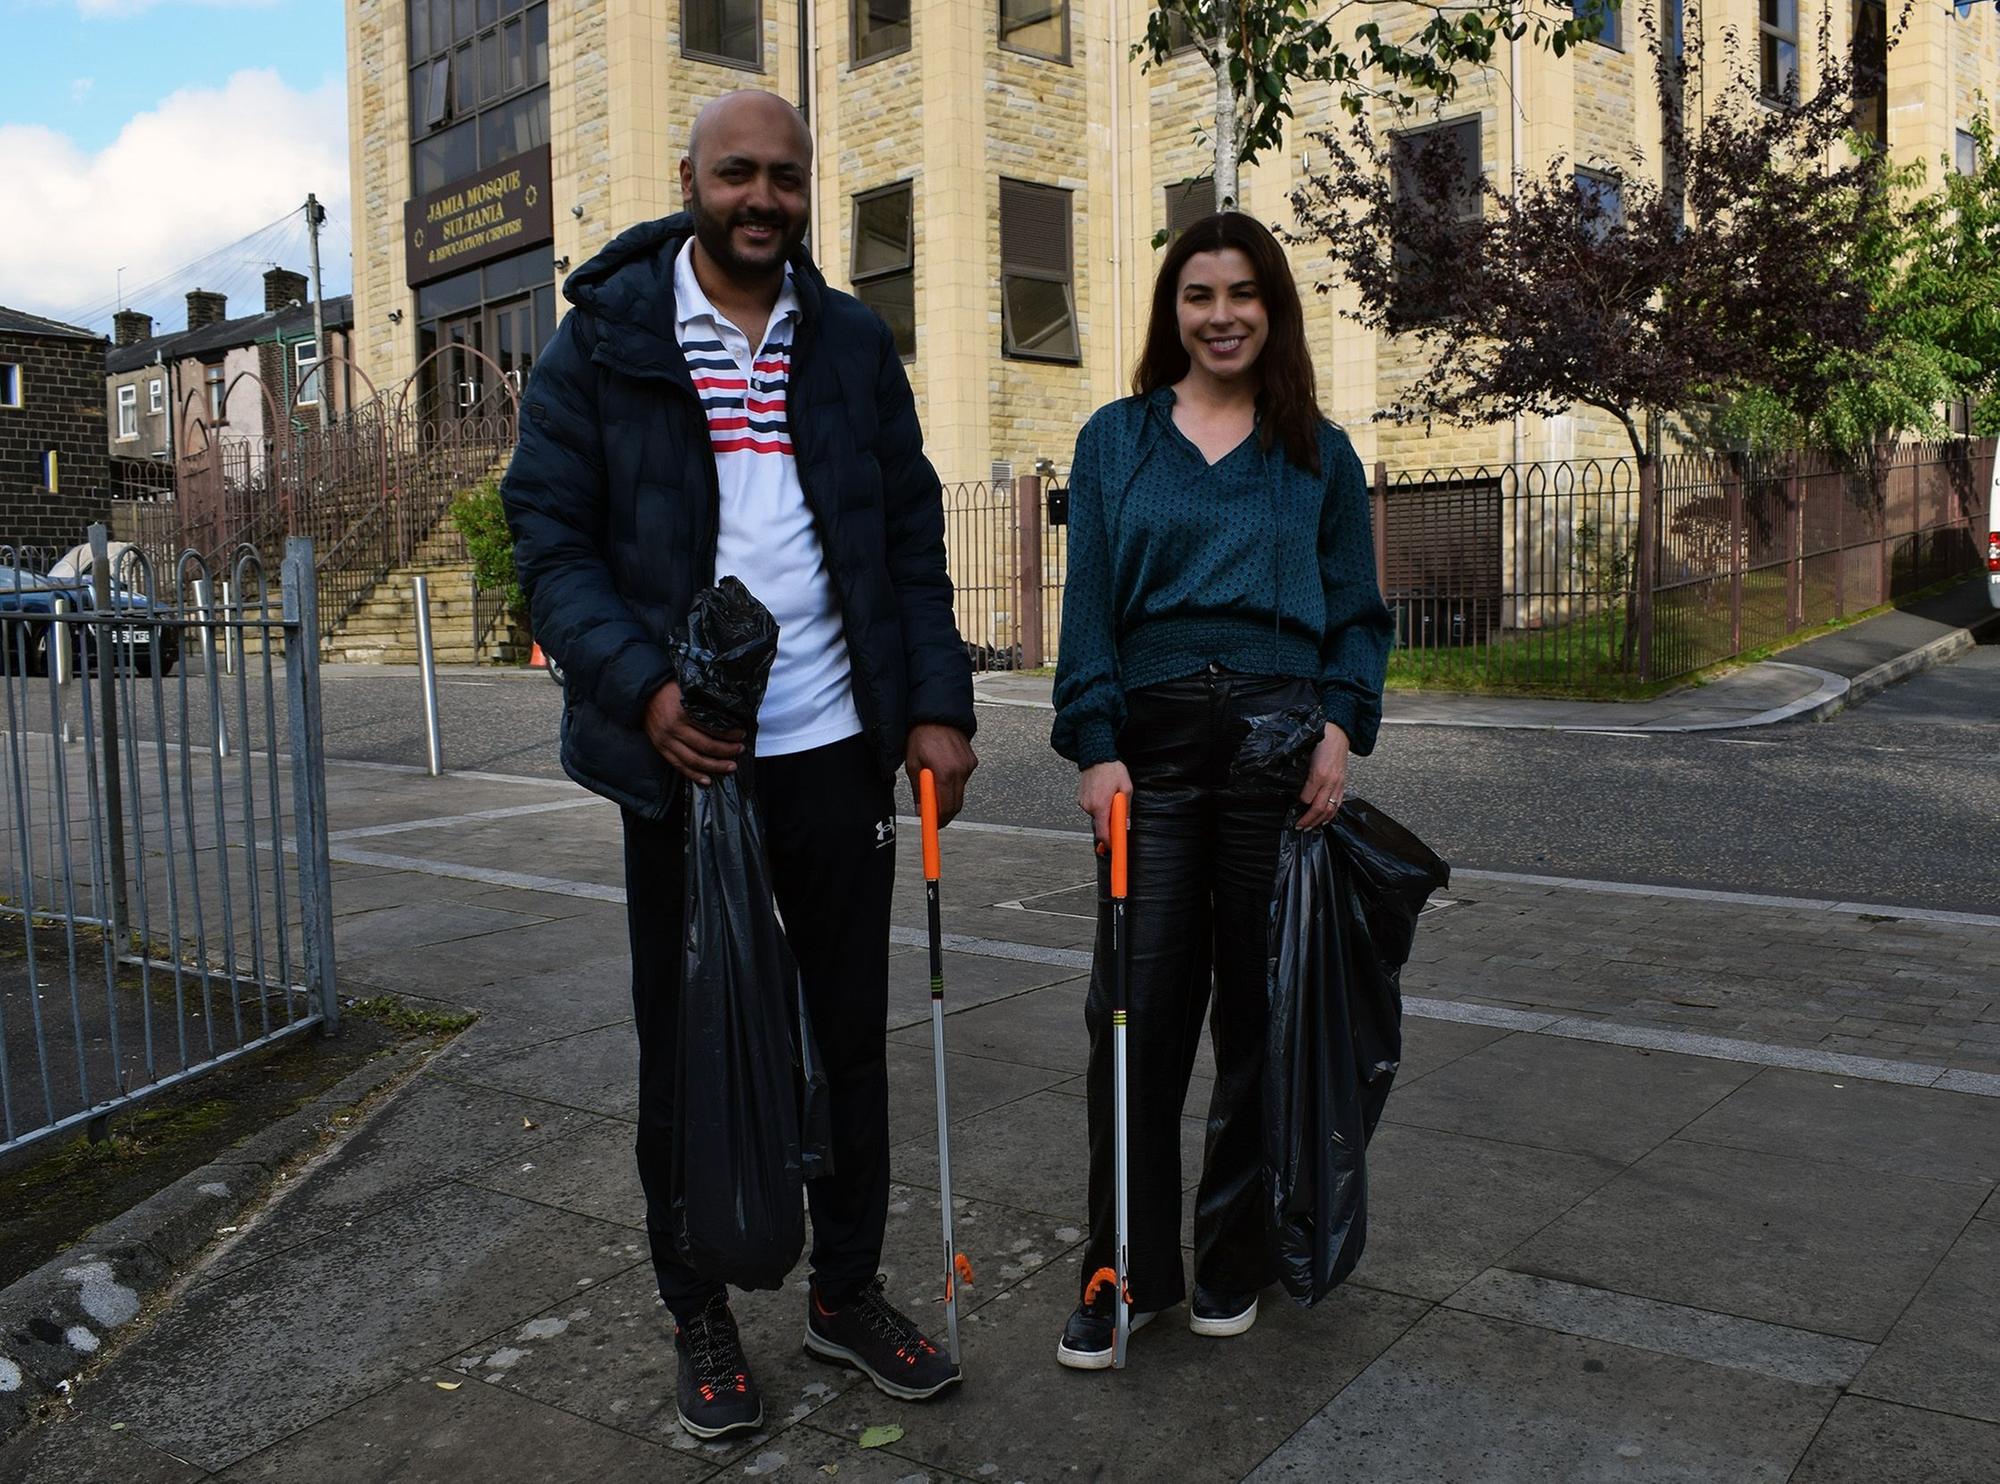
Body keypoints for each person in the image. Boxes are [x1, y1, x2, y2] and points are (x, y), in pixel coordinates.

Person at [502, 89, 977, 1437]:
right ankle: (700, 1312)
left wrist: (935, 706)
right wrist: (646, 691)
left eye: (782, 177)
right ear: (690, 178)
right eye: (736, 175)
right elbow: (551, 544)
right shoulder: (603, 346)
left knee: (850, 1041)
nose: (761, 198)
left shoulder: (851, 344)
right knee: (692, 1046)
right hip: (689, 761)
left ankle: (843, 1292)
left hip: (833, 743)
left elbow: (909, 538)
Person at [1048, 212, 1394, 1368]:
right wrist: (1094, 744)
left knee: (1259, 1016)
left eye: (1242, 292)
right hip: (1145, 752)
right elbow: (1087, 608)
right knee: (1133, 1018)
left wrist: (1340, 723)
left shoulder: (1317, 456)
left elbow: (1356, 614)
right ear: (1171, 311)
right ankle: (1122, 1270)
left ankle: (1232, 1253)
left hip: (1274, 753)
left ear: (1272, 307)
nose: (1220, 313)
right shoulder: (1115, 442)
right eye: (1197, 293)